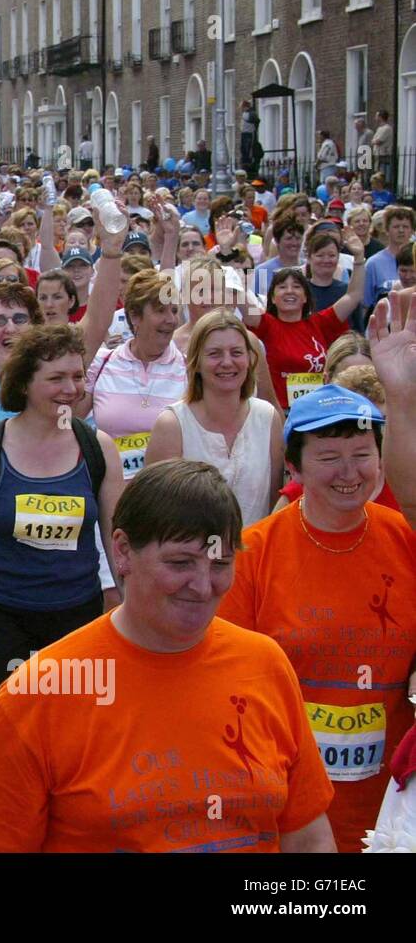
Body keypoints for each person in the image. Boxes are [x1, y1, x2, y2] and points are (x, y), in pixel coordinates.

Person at [0, 459, 336, 852]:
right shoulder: (39, 693)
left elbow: (307, 837)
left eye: (221, 563)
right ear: (122, 551)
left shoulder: (265, 665)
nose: (203, 587)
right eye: (180, 562)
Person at [218, 384, 416, 852]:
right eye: (329, 458)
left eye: (362, 454)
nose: (349, 473)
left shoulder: (404, 539)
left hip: (389, 805)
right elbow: (226, 682)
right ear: (293, 466)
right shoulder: (255, 553)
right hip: (287, 805)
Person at [0, 324, 124, 748]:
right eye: (55, 378)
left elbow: (119, 546)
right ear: (24, 383)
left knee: (69, 730)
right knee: (2, 724)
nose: (70, 389)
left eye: (77, 376)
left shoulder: (99, 449)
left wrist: (134, 617)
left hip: (75, 615)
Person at [145, 310, 283, 526]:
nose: (227, 362)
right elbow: (156, 514)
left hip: (256, 555)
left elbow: (275, 505)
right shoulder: (172, 425)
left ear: (249, 359)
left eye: (236, 352)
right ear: (196, 362)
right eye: (215, 354)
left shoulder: (268, 418)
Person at [79, 269, 187, 479]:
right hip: (110, 491)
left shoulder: (190, 368)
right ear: (135, 316)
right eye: (160, 310)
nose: (171, 319)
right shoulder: (102, 362)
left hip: (167, 494)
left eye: (174, 310)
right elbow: (68, 424)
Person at [248, 263, 363, 410]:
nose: (290, 291)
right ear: (272, 298)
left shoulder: (320, 322)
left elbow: (353, 296)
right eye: (282, 287)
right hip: (282, 412)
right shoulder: (265, 324)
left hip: (318, 410)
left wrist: (359, 259)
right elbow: (243, 303)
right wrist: (225, 271)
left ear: (305, 297)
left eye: (296, 287)